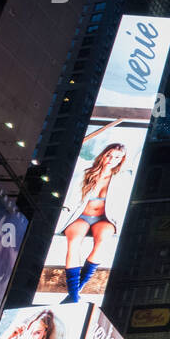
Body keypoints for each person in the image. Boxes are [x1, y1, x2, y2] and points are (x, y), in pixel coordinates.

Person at [55, 120, 133, 302]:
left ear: (121, 160)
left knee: (102, 241)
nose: (111, 160)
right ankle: (74, 295)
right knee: (73, 241)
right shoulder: (85, 171)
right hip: (81, 216)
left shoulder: (122, 177)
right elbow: (74, 158)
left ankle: (74, 292)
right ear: (103, 155)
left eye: (117, 157)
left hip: (104, 219)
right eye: (109, 155)